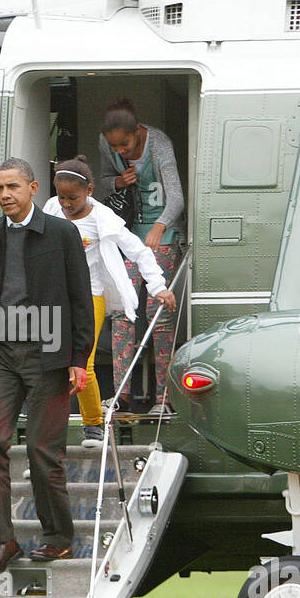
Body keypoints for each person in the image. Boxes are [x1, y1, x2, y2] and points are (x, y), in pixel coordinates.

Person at [0, 158, 94, 580]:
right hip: (1, 354)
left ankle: (58, 537)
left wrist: (79, 360)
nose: (6, 195)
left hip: (50, 355)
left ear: (32, 188)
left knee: (44, 453)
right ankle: (1, 541)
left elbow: (82, 299)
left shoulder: (62, 232)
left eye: (13, 187)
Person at [42, 156, 176, 447]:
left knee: (83, 364)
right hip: (55, 296)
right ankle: (52, 430)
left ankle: (93, 426)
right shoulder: (51, 208)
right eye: (61, 196)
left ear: (89, 190)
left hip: (89, 295)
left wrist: (158, 286)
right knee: (53, 365)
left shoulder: (103, 219)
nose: (65, 204)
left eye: (72, 198)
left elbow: (139, 252)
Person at [96, 98, 186, 416]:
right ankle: (122, 394)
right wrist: (118, 180)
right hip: (129, 235)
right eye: (114, 146)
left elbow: (176, 196)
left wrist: (160, 226)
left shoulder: (159, 144)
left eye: (126, 144)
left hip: (162, 234)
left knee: (159, 316)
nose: (121, 150)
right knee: (123, 313)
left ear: (138, 132)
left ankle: (164, 397)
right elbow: (102, 184)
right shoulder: (109, 145)